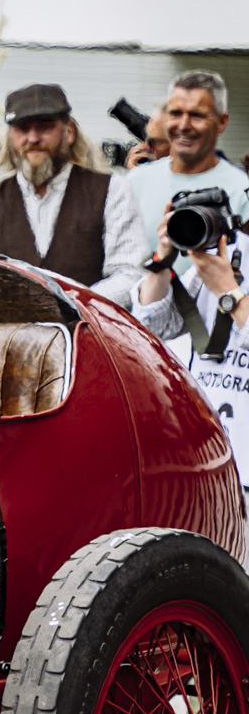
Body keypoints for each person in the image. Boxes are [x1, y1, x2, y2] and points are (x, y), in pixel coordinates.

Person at [0, 83, 148, 303]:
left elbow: (131, 274)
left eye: (44, 127)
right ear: (10, 136)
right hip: (1, 335)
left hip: (83, 333)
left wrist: (74, 305)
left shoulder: (113, 191)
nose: (33, 138)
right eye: (22, 129)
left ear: (69, 132)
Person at [134, 196, 249, 495]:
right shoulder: (233, 255)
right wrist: (162, 261)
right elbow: (154, 326)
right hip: (208, 461)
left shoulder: (224, 272)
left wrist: (229, 292)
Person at [127, 72, 247, 271]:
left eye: (197, 115)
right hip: (142, 300)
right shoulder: (134, 182)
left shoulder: (242, 190)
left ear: (222, 122)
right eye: (175, 114)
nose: (183, 126)